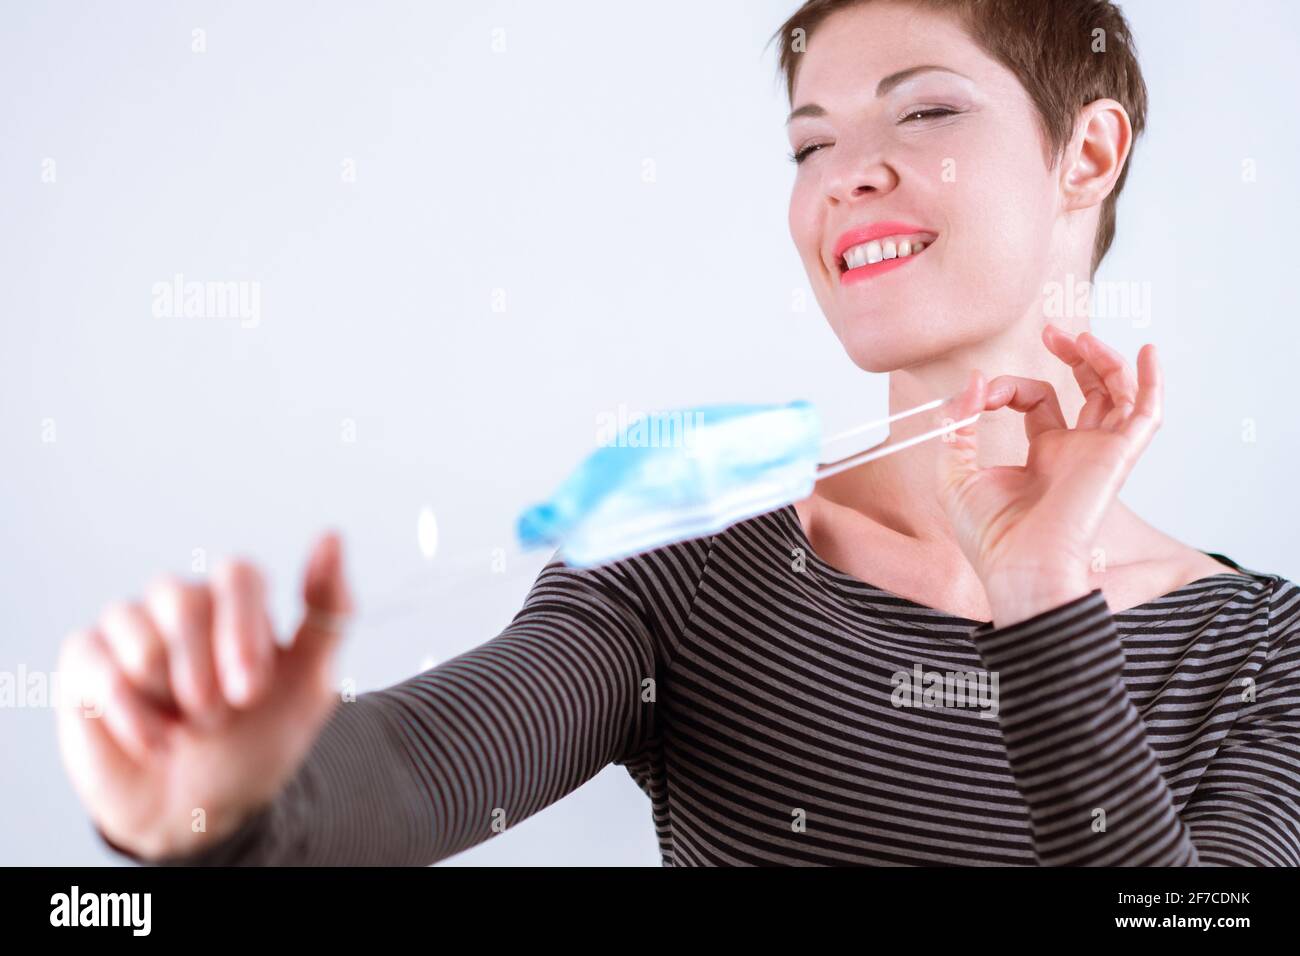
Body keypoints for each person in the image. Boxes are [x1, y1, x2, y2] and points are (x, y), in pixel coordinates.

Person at [58, 0, 1300, 866]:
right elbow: (419, 769)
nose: (841, 175)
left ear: (1086, 150)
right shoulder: (697, 559)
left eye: (921, 113)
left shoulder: (1264, 653)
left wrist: (1040, 602)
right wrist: (219, 800)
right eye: (810, 141)